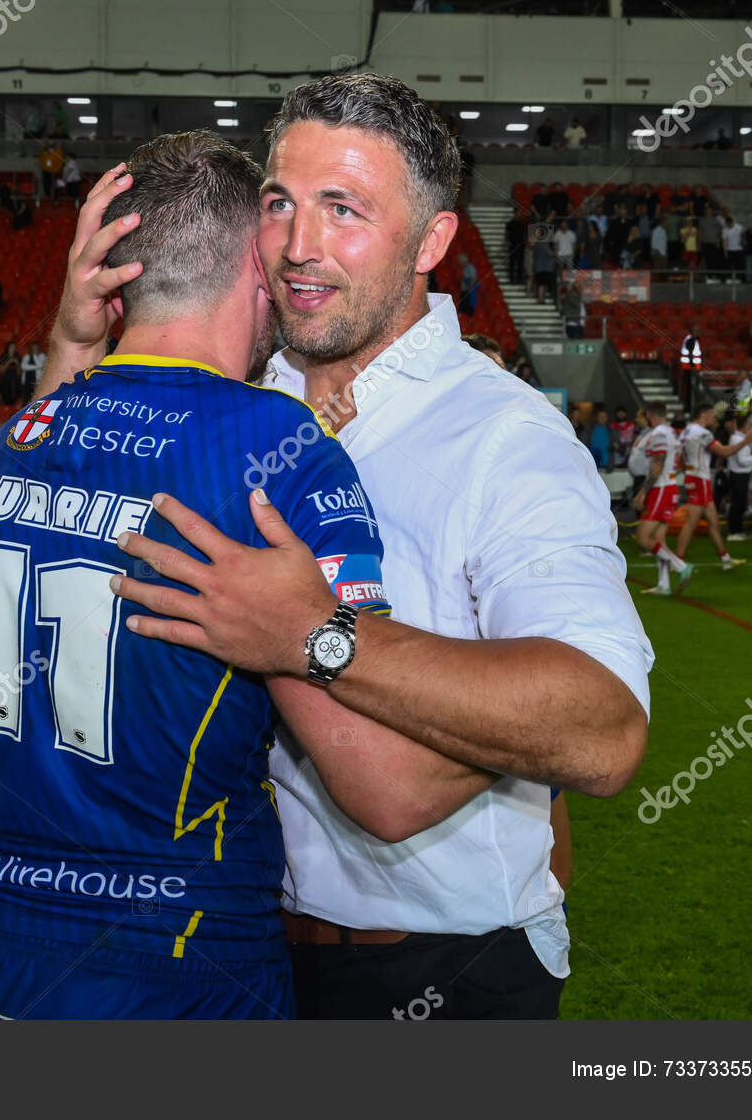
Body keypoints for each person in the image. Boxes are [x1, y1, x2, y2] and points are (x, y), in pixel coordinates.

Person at [42, 76, 653, 1020]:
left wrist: (315, 636)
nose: (299, 245)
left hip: (438, 970)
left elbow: (604, 728)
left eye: (344, 209)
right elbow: (56, 517)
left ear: (433, 242)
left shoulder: (504, 434)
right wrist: (73, 345)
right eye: (279, 202)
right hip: (238, 942)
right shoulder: (246, 397)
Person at [0, 130, 416, 1021]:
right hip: (177, 957)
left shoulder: (10, 446)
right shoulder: (280, 446)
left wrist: (72, 336)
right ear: (257, 267)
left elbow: (73, 452)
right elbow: (381, 780)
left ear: (117, 278)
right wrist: (538, 738)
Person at [673, 404, 749, 570]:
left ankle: (725, 559)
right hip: (700, 479)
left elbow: (681, 457)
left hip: (694, 476)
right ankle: (677, 562)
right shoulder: (702, 433)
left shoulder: (687, 431)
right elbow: (724, 452)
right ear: (704, 414)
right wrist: (746, 441)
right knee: (691, 523)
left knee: (713, 522)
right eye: (712, 414)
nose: (714, 418)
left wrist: (689, 470)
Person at [632, 404, 693, 597]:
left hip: (661, 489)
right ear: (665, 414)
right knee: (659, 540)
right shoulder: (672, 433)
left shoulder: (658, 434)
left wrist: (643, 491)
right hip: (671, 486)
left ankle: (681, 566)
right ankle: (663, 584)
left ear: (649, 414)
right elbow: (682, 459)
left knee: (643, 537)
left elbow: (657, 465)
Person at [723, 413, 752, 539]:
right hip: (738, 475)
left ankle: (737, 530)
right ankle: (733, 532)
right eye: (749, 424)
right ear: (743, 426)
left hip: (740, 474)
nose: (750, 427)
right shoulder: (738, 439)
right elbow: (743, 461)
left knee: (740, 503)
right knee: (738, 504)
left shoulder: (739, 438)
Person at [504, 207, 527, 285]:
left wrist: (525, 243)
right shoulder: (510, 223)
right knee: (512, 263)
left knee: (520, 263)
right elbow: (507, 234)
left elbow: (524, 235)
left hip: (521, 246)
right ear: (515, 213)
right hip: (512, 245)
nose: (520, 214)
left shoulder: (522, 224)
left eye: (520, 213)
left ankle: (519, 279)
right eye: (519, 213)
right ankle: (511, 279)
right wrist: (507, 242)